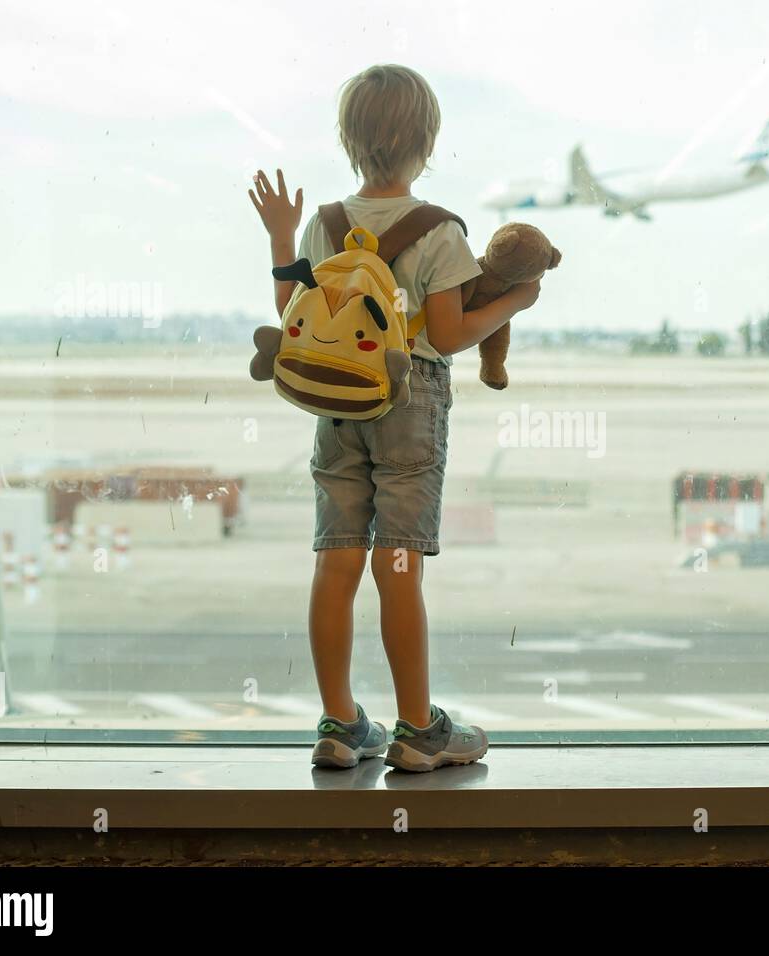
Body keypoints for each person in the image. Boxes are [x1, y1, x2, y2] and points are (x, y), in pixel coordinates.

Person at [249, 64, 539, 771]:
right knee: (399, 561)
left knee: (337, 554)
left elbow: (294, 320)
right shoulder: (440, 233)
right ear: (426, 143)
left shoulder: (324, 225)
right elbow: (444, 334)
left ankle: (342, 724)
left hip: (337, 403)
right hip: (407, 401)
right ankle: (418, 730)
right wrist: (513, 304)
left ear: (349, 141)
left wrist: (282, 237)